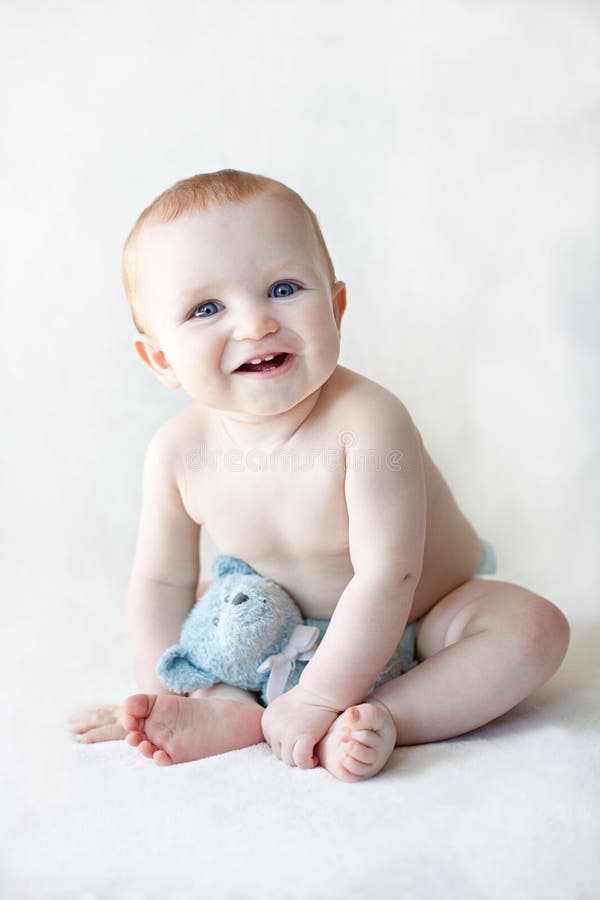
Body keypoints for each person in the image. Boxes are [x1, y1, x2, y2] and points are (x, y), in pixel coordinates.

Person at [69, 169, 570, 782]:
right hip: (275, 629)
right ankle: (221, 708)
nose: (255, 324)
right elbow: (159, 581)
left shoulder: (368, 422)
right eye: (207, 308)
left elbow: (391, 574)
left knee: (532, 628)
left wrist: (320, 697)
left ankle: (382, 714)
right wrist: (161, 686)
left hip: (424, 621)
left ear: (334, 308)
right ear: (161, 358)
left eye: (283, 288)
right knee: (208, 603)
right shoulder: (178, 451)